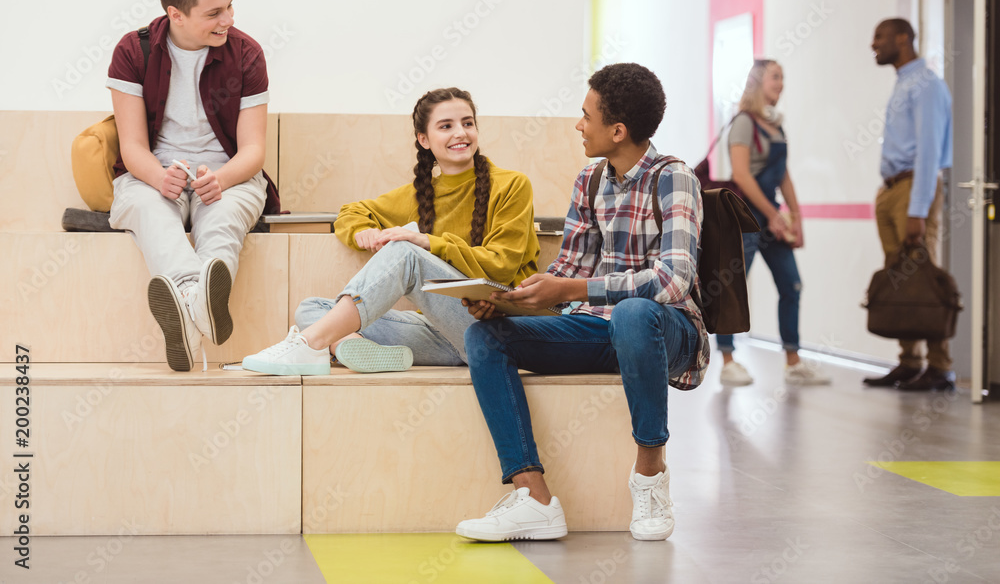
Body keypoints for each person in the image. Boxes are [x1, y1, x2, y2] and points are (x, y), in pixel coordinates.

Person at [454, 63, 706, 543]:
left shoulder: (674, 178)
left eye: (585, 116)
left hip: (665, 330)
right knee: (484, 336)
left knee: (633, 314)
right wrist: (508, 301)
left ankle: (650, 476)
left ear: (618, 130)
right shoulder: (591, 179)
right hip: (596, 329)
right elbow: (568, 272)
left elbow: (674, 281)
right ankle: (534, 498)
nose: (578, 125)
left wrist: (573, 292)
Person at [241, 87, 540, 375]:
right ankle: (348, 345)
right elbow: (351, 212)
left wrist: (426, 242)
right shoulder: (420, 195)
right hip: (441, 335)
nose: (460, 133)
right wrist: (363, 231)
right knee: (312, 309)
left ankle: (309, 345)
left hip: (496, 330)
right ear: (424, 139)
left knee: (405, 252)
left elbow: (501, 266)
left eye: (467, 123)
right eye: (446, 126)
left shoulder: (513, 185)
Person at [107, 0, 279, 372]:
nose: (229, 20)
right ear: (176, 14)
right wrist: (156, 176)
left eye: (231, 6)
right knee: (149, 209)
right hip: (151, 172)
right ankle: (198, 304)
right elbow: (131, 146)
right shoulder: (133, 51)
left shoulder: (247, 54)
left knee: (223, 219)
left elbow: (253, 150)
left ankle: (185, 316)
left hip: (229, 173)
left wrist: (220, 178)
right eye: (215, 12)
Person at [715, 59, 830, 387]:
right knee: (733, 289)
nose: (781, 83)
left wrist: (796, 216)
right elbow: (741, 174)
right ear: (757, 83)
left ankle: (793, 362)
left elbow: (784, 175)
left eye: (783, 77)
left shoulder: (777, 126)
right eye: (775, 77)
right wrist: (773, 214)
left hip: (773, 220)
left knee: (791, 285)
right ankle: (727, 359)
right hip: (746, 219)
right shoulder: (742, 123)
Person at [865, 18, 954, 391]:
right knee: (900, 275)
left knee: (922, 274)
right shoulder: (904, 81)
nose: (874, 45)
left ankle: (940, 366)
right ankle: (909, 360)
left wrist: (918, 208)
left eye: (880, 37)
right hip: (892, 189)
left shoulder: (926, 84)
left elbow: (930, 150)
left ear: (904, 38)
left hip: (913, 187)